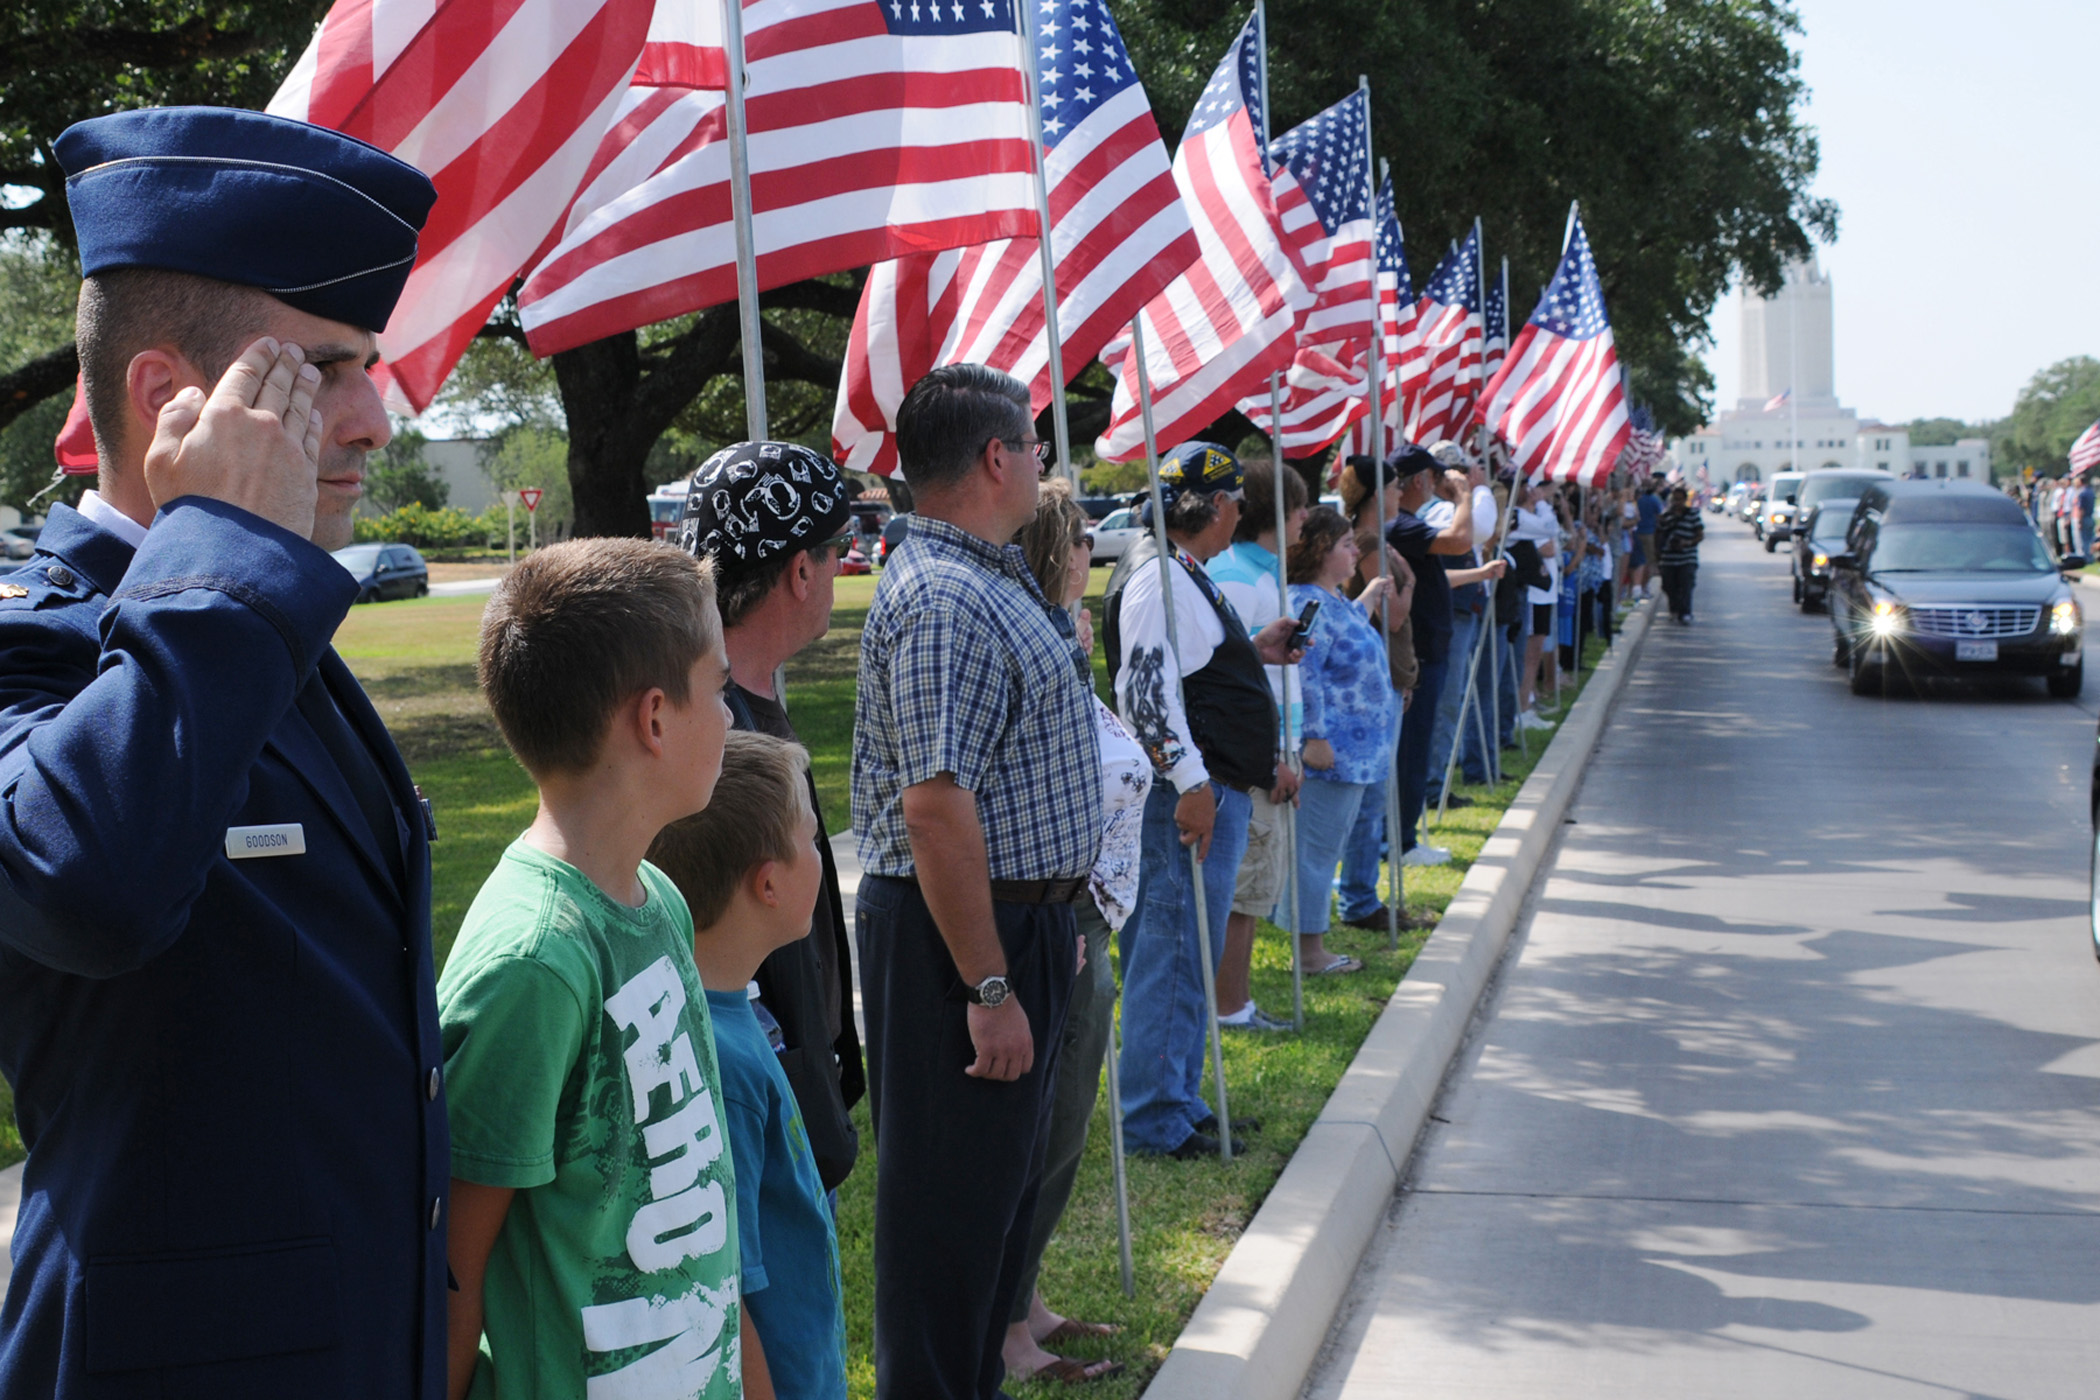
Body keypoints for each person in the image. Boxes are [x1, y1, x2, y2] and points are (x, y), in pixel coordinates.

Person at [0, 107, 449, 1397]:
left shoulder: (256, 615)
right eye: (324, 367)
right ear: (167, 400)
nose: (371, 417)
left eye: (369, 364)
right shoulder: (53, 640)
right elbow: (90, 880)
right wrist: (218, 547)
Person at [851, 363, 1100, 1400]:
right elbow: (935, 807)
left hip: (1011, 924)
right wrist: (992, 987)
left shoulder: (983, 575)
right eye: (1036, 446)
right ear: (997, 457)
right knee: (949, 1222)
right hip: (962, 937)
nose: (1043, 463)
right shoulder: (950, 596)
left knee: (991, 1208)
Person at [439, 540, 737, 1400]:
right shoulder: (533, 964)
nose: (730, 716)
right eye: (717, 690)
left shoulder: (658, 901)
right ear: (653, 718)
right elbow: (453, 1265)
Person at [1103, 441, 1308, 1159]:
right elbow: (1146, 694)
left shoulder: (1176, 572)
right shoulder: (1160, 577)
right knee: (1173, 948)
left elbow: (1184, 668)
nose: (1237, 517)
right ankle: (1155, 1118)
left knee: (1190, 948)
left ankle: (1178, 1101)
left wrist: (1254, 648)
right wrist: (1190, 783)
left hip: (1205, 790)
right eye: (1235, 506)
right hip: (1188, 799)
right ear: (1217, 507)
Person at [676, 440, 866, 1193]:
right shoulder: (713, 732)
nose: (839, 570)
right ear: (799, 570)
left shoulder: (725, 703)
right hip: (755, 1106)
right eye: (838, 550)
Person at [649, 732, 850, 1400]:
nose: (821, 854)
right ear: (768, 883)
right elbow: (725, 1292)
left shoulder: (734, 1013)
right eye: (813, 839)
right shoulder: (721, 1064)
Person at [996, 480, 1141, 1385]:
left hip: (1090, 915)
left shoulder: (1068, 641)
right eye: (1084, 540)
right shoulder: (1032, 647)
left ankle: (1027, 1298)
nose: (1095, 553)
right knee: (1041, 1135)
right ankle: (1006, 1331)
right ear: (1057, 551)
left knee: (1067, 1132)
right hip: (1062, 914)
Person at [1206, 459, 1310, 1032]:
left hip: (1275, 746)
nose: (1305, 520)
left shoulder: (1265, 574)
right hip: (1257, 754)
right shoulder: (1238, 578)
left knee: (1256, 885)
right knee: (1244, 890)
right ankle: (1230, 1007)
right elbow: (1230, 683)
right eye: (1297, 509)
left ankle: (1235, 1000)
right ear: (1273, 514)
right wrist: (1271, 756)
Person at [1282, 507, 1401, 973]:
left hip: (1356, 757)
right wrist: (1314, 736)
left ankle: (1310, 942)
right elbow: (1304, 673)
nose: (1357, 551)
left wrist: (1369, 597)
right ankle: (1310, 953)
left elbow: (1344, 628)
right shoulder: (1303, 602)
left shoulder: (1329, 600)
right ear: (1319, 551)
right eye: (1347, 544)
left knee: (1324, 852)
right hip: (1331, 755)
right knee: (1314, 855)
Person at [1386, 446, 1506, 869]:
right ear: (1419, 480)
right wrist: (1465, 495)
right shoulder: (1400, 525)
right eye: (1435, 477)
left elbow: (1437, 575)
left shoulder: (1410, 525)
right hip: (1417, 654)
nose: (1441, 484)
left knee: (1415, 747)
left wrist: (1479, 573)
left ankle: (1401, 838)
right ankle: (1399, 842)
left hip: (1428, 651)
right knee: (1411, 749)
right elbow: (1459, 540)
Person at [1331, 454, 1422, 933]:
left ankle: (1360, 892)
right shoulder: (1367, 542)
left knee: (1375, 795)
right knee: (1370, 798)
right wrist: (1407, 588)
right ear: (1371, 494)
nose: (1400, 494)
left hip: (1390, 680)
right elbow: (1394, 617)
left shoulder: (1379, 539)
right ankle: (1359, 900)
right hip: (1374, 683)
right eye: (1392, 487)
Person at [1508, 475, 1562, 729]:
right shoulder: (1519, 515)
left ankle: (1526, 703)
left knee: (1534, 654)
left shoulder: (1532, 516)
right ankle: (1522, 708)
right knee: (1529, 656)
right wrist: (1541, 506)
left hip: (1544, 594)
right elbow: (1549, 545)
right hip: (1533, 595)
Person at [1656, 485, 1706, 623]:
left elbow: (1700, 535)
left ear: (1685, 500)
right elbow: (1659, 534)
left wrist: (1687, 543)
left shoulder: (1693, 514)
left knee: (1686, 585)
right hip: (1668, 558)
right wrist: (1657, 554)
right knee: (1668, 585)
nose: (1677, 503)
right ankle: (1674, 608)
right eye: (1674, 500)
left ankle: (1685, 612)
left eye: (1679, 500)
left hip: (1687, 558)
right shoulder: (1666, 516)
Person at [1633, 474, 1663, 598]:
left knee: (1638, 561)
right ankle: (1644, 587)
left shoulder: (1637, 500)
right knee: (1648, 562)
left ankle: (1637, 587)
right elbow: (1659, 516)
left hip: (1635, 533)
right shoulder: (1654, 500)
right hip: (1649, 533)